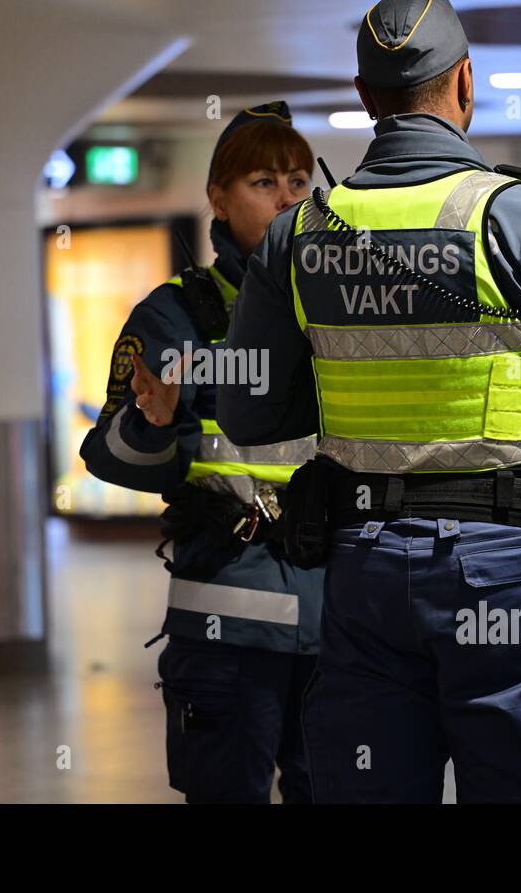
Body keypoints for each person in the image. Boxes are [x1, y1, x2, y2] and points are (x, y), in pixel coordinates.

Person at [216, 0, 521, 803]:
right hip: (504, 575)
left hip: (361, 572)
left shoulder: (296, 238)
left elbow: (248, 413)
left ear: (363, 97)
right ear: (465, 82)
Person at [80, 102, 324, 803]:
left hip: (338, 622)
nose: (286, 199)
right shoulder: (175, 315)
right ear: (218, 197)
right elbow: (109, 453)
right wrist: (153, 425)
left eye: (298, 182)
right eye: (263, 182)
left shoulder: (337, 308)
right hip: (229, 624)